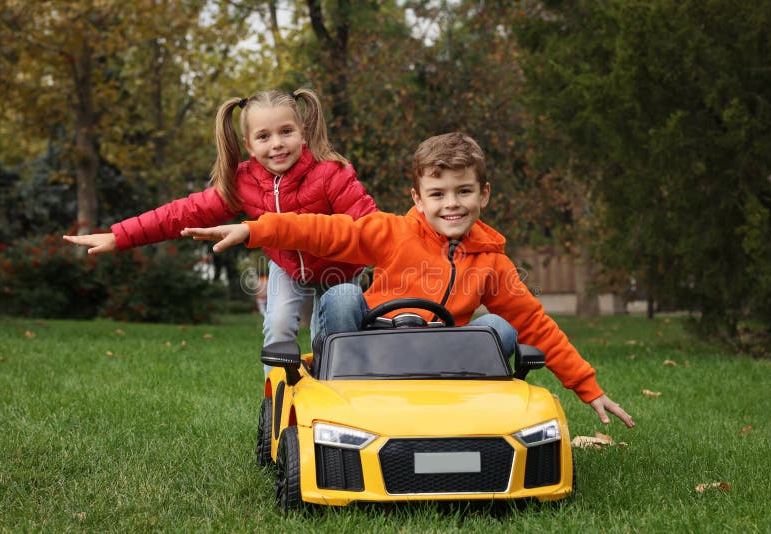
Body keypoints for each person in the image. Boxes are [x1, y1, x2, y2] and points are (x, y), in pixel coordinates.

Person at [181, 132, 635, 427]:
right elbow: (323, 229)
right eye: (437, 194)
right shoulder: (392, 233)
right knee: (341, 294)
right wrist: (256, 229)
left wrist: (588, 388)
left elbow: (538, 326)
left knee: (503, 329)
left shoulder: (494, 264)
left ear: (484, 195)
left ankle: (484, 423)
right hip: (367, 355)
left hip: (442, 364)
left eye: (464, 192)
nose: (451, 204)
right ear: (418, 198)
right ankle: (336, 401)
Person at [64, 89, 377, 375]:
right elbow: (182, 213)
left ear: (303, 134)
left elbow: (372, 227)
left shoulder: (331, 173)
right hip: (288, 268)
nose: (277, 144)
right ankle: (276, 402)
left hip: (340, 266)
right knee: (279, 326)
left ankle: (332, 388)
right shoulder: (244, 183)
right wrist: (120, 236)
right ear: (249, 146)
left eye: (286, 132)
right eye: (264, 136)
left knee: (331, 330)